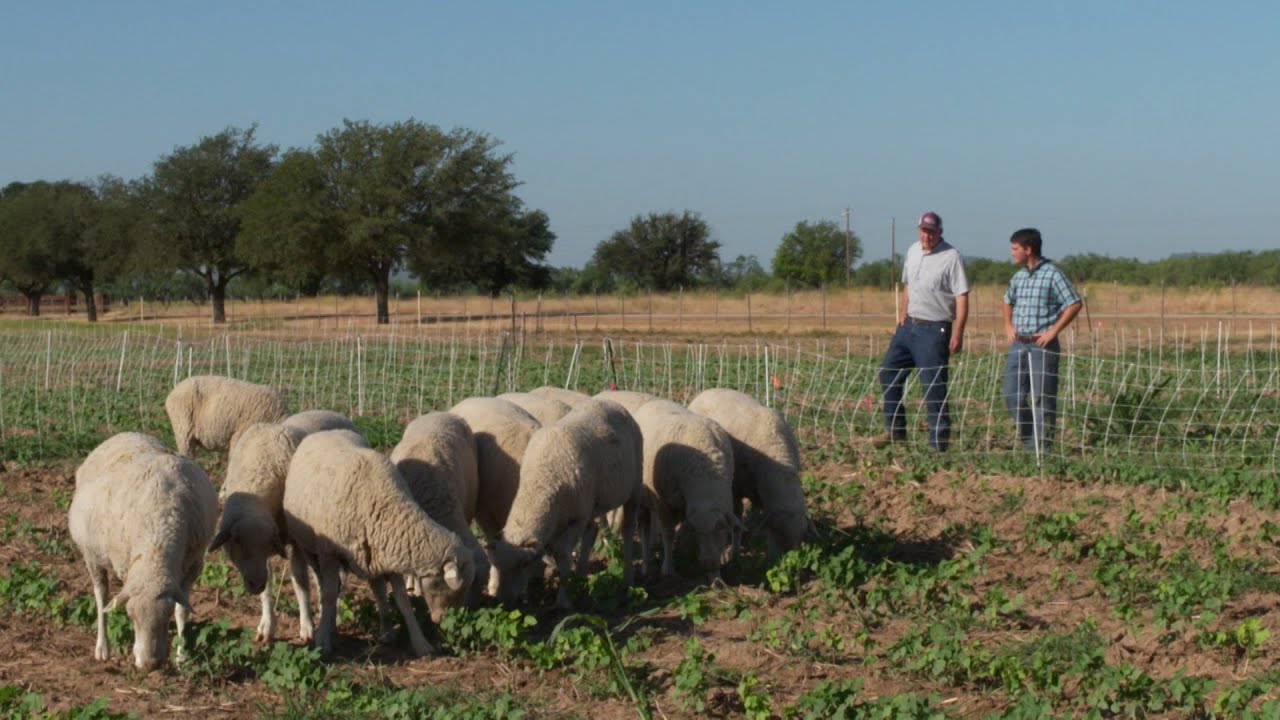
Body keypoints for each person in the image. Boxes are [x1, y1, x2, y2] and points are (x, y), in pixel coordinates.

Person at [874, 211, 969, 451]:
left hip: (934, 328)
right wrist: (903, 315)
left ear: (940, 232)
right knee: (888, 373)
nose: (926, 236)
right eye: (923, 230)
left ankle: (938, 444)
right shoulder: (913, 250)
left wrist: (958, 332)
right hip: (908, 327)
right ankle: (895, 430)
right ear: (919, 230)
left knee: (933, 386)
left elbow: (961, 297)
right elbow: (908, 285)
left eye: (931, 231)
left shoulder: (951, 257)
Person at [1001, 228, 1082, 452]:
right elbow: (1007, 300)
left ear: (1028, 249)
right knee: (1011, 395)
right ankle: (1029, 441)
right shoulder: (1018, 276)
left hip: (1042, 345)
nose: (1012, 253)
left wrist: (1053, 331)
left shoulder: (1053, 274)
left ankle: (1042, 450)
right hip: (1019, 344)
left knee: (1042, 399)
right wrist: (1008, 325)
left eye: (1015, 249)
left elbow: (1074, 303)